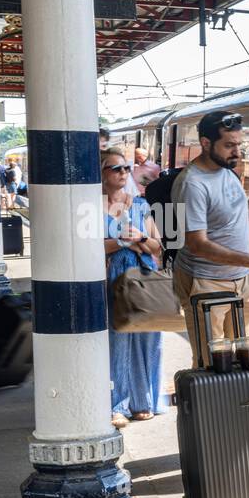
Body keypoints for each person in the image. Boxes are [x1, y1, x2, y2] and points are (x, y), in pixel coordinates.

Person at [171, 111, 249, 367]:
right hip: (208, 284)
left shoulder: (227, 173)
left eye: (238, 145)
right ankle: (209, 408)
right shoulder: (192, 184)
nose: (237, 152)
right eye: (229, 145)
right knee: (213, 366)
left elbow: (243, 215)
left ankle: (243, 406)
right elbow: (198, 244)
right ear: (206, 143)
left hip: (243, 282)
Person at [101, 147, 167, 429]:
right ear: (102, 173)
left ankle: (145, 400)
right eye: (116, 168)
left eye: (126, 168)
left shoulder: (140, 204)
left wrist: (139, 238)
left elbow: (158, 246)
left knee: (148, 336)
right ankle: (118, 404)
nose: (123, 173)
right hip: (113, 274)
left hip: (142, 274)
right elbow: (91, 248)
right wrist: (122, 242)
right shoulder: (92, 206)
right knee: (118, 339)